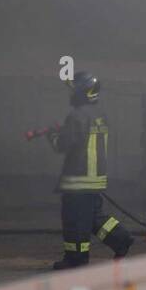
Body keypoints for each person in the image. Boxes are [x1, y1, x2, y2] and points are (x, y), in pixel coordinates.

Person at [49, 72, 132, 269]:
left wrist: (53, 134)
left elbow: (63, 145)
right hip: (95, 179)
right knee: (94, 219)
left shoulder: (77, 115)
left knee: (75, 223)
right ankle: (120, 239)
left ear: (81, 92)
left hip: (78, 181)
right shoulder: (99, 114)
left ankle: (76, 261)